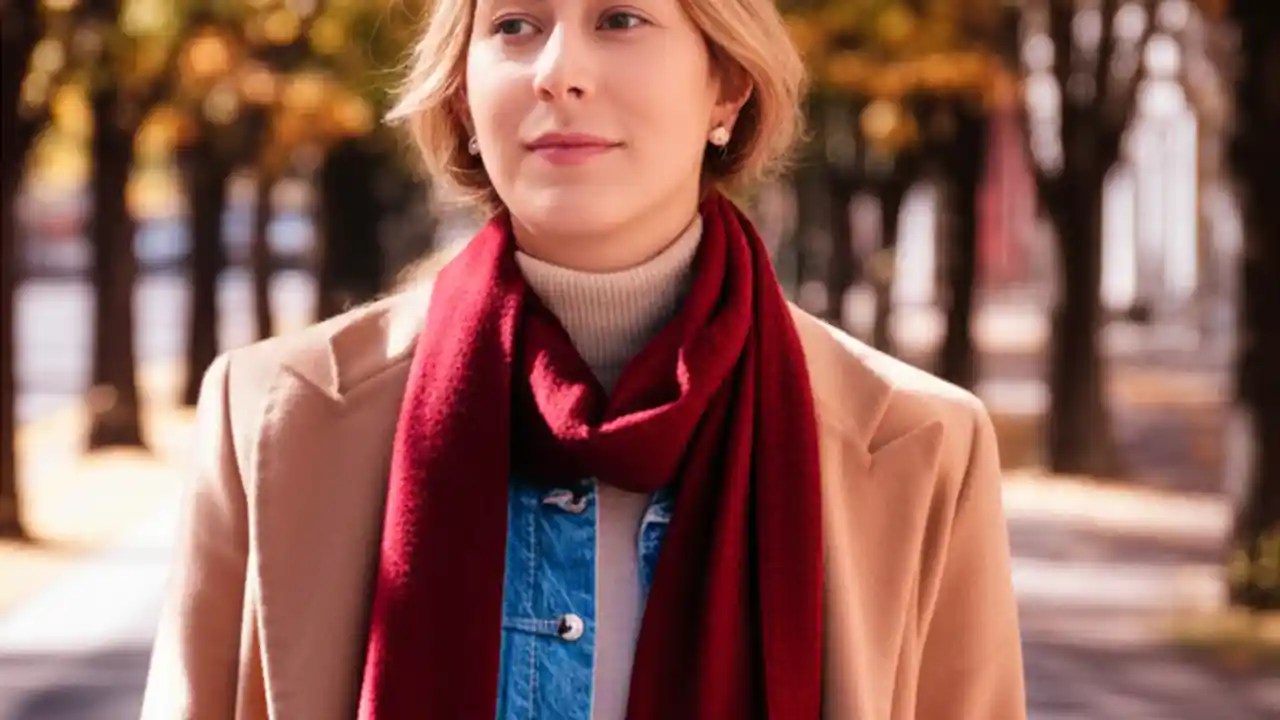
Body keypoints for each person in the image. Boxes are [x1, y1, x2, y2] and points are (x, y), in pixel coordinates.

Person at [140, 0, 1027, 718]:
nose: (558, 70)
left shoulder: (919, 448)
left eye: (620, 19)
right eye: (514, 25)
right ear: (463, 98)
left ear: (728, 87)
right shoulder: (275, 418)